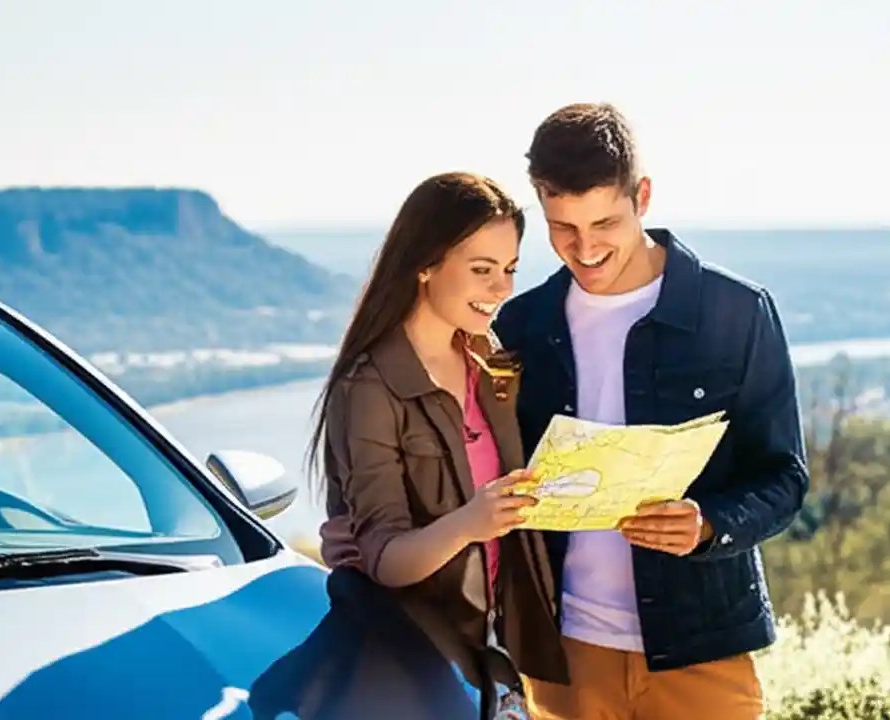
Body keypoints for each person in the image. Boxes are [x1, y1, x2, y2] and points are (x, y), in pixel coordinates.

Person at [491, 102, 809, 719]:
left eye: (604, 223)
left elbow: (784, 478)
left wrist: (708, 522)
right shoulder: (522, 324)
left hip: (703, 651)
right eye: (563, 227)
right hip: (566, 652)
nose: (584, 250)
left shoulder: (736, 312)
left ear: (643, 195)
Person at [308, 171, 570, 704]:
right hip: (414, 665)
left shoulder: (492, 364)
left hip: (496, 657)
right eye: (481, 269)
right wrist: (470, 522)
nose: (501, 289)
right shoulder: (368, 389)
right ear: (425, 264)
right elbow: (384, 559)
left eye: (509, 270)